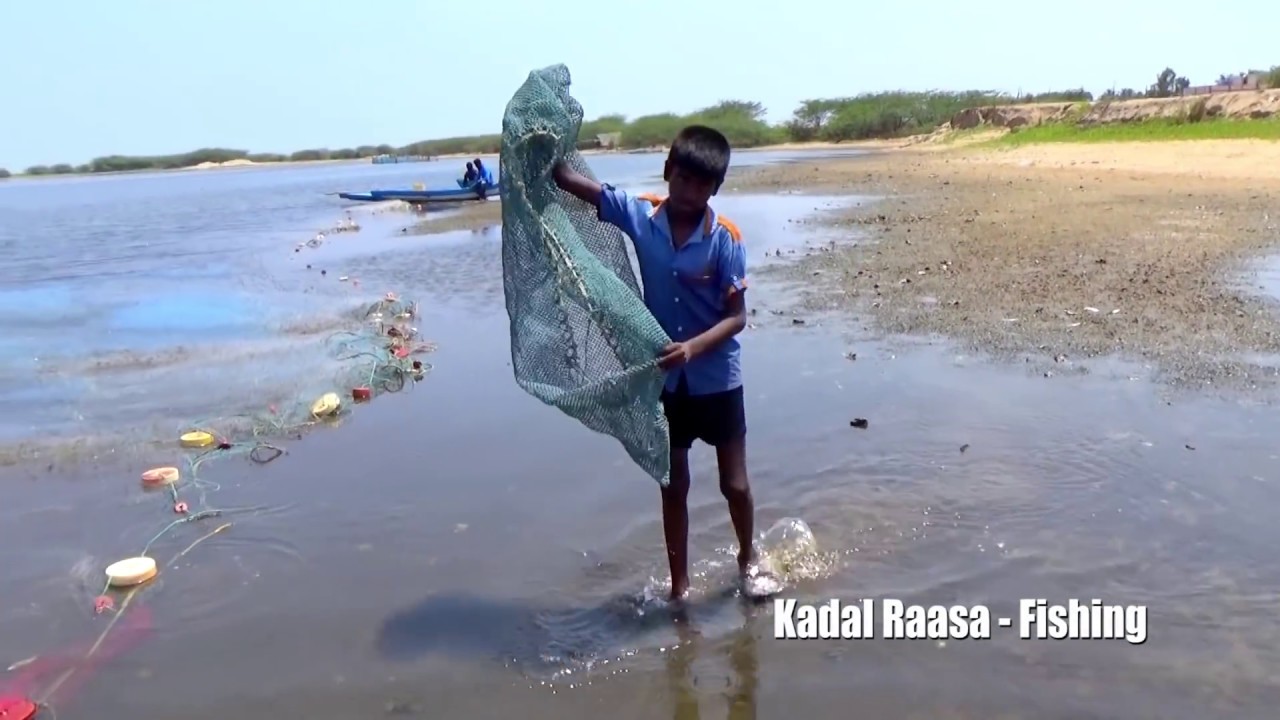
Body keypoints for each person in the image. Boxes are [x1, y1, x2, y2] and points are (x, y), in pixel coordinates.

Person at [551, 125, 761, 601]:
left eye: (701, 185)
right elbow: (581, 186)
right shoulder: (642, 216)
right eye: (682, 179)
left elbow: (737, 318)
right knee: (674, 486)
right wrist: (544, 159)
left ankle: (748, 558)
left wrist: (692, 348)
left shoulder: (724, 239)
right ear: (668, 173)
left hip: (717, 378)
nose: (689, 192)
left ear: (715, 189)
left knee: (735, 484)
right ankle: (679, 587)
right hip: (666, 384)